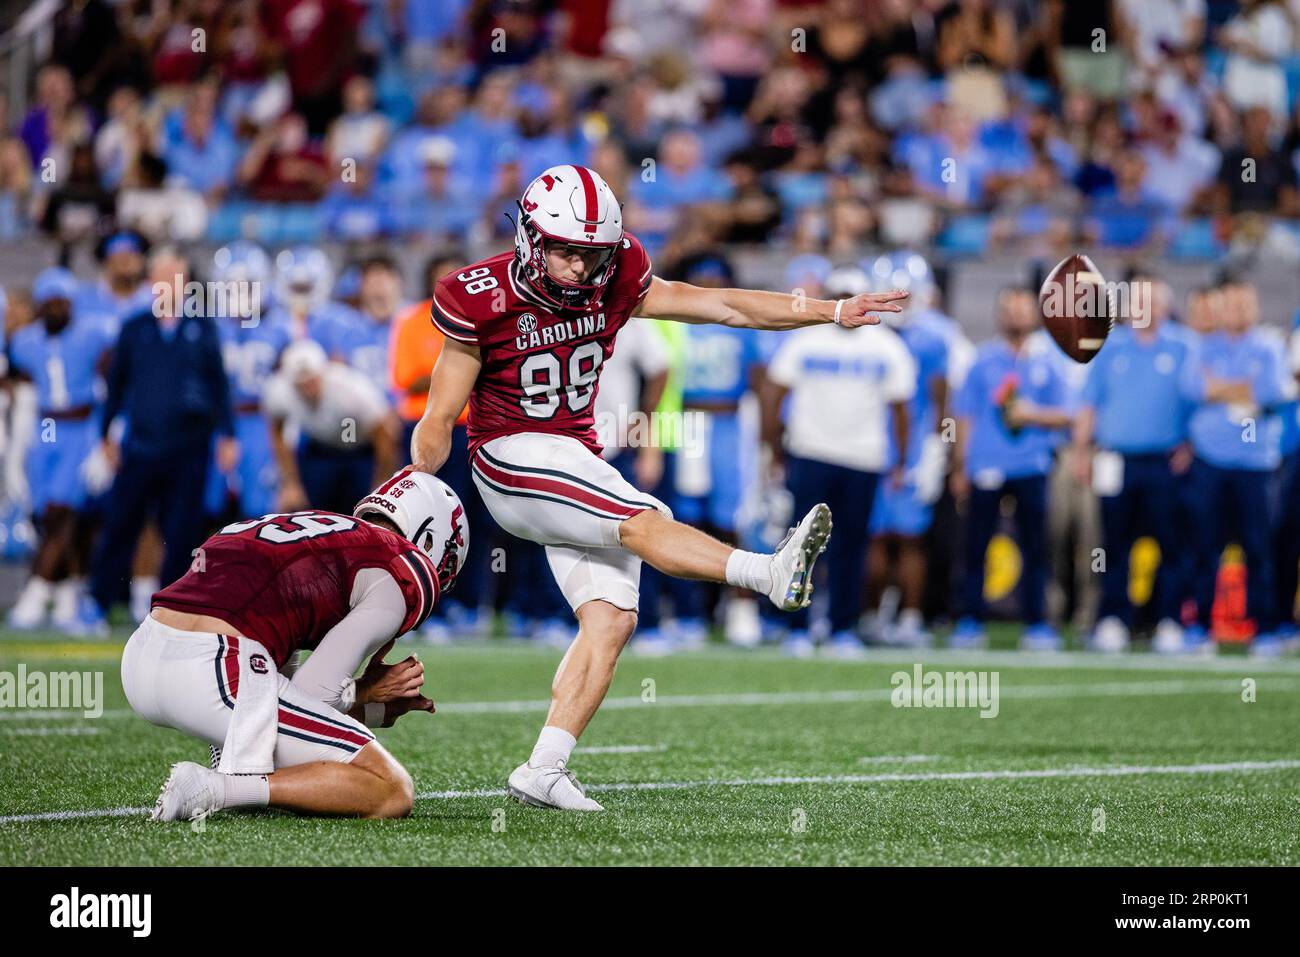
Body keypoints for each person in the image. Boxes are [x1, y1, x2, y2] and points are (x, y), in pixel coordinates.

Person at [411, 164, 908, 810]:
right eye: (564, 252)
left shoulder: (617, 272)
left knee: (612, 617)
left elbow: (723, 304)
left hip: (574, 456)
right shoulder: (479, 293)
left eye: (591, 257)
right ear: (531, 238)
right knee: (645, 513)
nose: (578, 271)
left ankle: (545, 766)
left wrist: (831, 310)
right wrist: (416, 490)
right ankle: (766, 572)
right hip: (509, 455)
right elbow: (438, 419)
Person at [125, 470, 466, 822]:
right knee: (391, 789)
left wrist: (374, 710)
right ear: (430, 540)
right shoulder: (401, 564)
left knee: (274, 658)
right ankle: (216, 788)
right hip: (215, 671)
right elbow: (313, 693)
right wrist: (364, 692)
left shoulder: (314, 529)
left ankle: (234, 762)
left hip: (143, 654)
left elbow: (292, 694)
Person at [77, 249, 239, 636]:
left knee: (182, 530)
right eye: (162, 278)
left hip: (190, 445)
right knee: (121, 523)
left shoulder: (202, 328)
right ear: (151, 283)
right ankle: (100, 603)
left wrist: (228, 435)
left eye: (176, 278)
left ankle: (169, 610)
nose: (169, 286)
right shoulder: (134, 329)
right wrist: (105, 435)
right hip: (142, 445)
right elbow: (116, 387)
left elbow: (219, 386)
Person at [763, 264, 915, 658]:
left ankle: (842, 625)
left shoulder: (885, 345)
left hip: (862, 457)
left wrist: (900, 459)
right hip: (811, 452)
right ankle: (796, 625)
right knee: (800, 543)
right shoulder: (806, 340)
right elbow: (774, 392)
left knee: (852, 545)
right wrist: (773, 447)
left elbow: (901, 407)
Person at [949, 288, 1073, 650]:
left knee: (1037, 547)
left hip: (1032, 465)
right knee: (976, 547)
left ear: (1034, 315)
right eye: (1009, 309)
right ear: (999, 315)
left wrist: (1032, 414)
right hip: (986, 465)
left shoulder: (1049, 360)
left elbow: (1068, 414)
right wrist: (960, 465)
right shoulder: (982, 360)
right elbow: (965, 416)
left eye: (1022, 309)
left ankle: (1038, 623)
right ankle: (970, 620)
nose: (1016, 316)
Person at [1072, 277, 1192, 653]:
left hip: (1163, 461)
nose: (1145, 308)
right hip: (1115, 459)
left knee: (1170, 544)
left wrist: (1189, 443)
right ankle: (1113, 618)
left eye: (1153, 301)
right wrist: (1082, 451)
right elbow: (1089, 404)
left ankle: (1168, 620)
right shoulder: (1110, 346)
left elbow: (1199, 402)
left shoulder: (1185, 346)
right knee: (1112, 544)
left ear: (1165, 306)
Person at [1180, 280, 1290, 655]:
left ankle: (1267, 629)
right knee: (1204, 546)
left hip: (1255, 463)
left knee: (1258, 548)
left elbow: (1274, 391)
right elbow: (1195, 389)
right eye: (1232, 304)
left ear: (1255, 306)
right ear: (1221, 308)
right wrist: (1245, 388)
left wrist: (1221, 388)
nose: (1238, 311)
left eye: (1245, 304)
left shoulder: (1270, 345)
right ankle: (1199, 629)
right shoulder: (1203, 346)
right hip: (1210, 461)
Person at [5, 268, 114, 630]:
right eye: (48, 302)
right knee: (46, 510)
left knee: (63, 509)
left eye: (61, 301)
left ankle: (40, 589)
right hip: (47, 425)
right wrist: (19, 450)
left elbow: (110, 382)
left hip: (80, 425)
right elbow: (21, 389)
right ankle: (70, 593)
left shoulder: (92, 335)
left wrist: (105, 438)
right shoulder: (25, 341)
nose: (54, 308)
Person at [266, 340, 400, 515]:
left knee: (360, 514)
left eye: (312, 381)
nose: (308, 389)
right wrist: (290, 483)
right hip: (321, 450)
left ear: (323, 372)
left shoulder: (350, 387)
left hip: (360, 451)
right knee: (315, 515)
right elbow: (277, 432)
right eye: (301, 384)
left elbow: (385, 432)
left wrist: (383, 481)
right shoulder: (280, 392)